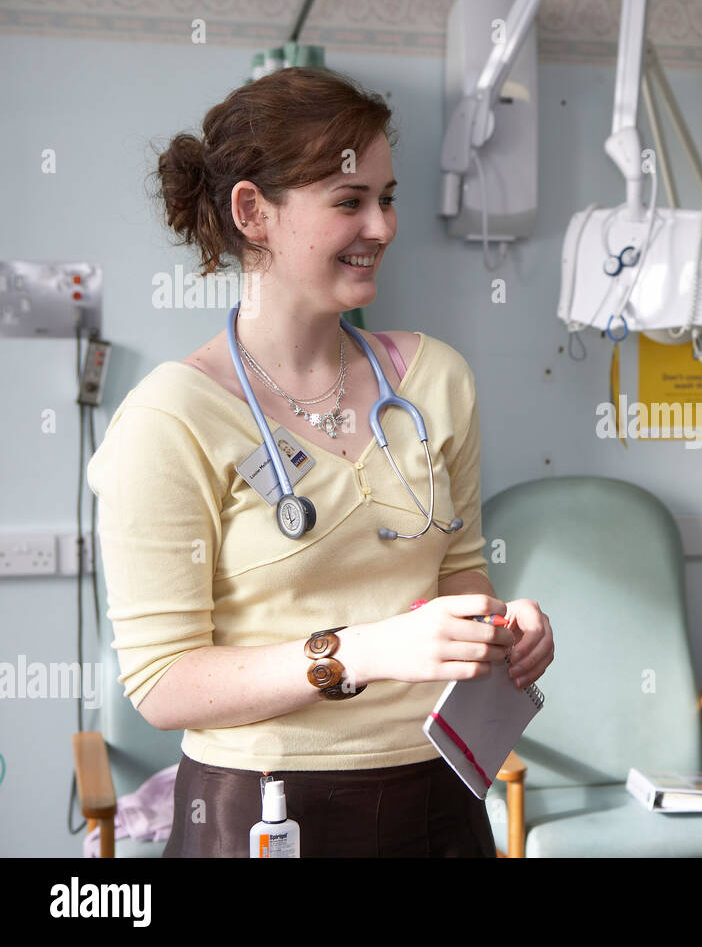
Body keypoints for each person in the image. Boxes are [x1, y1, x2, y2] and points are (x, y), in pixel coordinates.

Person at [87, 67, 553, 857]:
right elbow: (162, 685)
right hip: (264, 806)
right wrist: (362, 652)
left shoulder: (436, 380)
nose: (383, 226)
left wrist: (502, 628)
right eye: (349, 201)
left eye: (387, 197)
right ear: (252, 212)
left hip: (441, 793)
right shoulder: (171, 420)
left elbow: (459, 573)